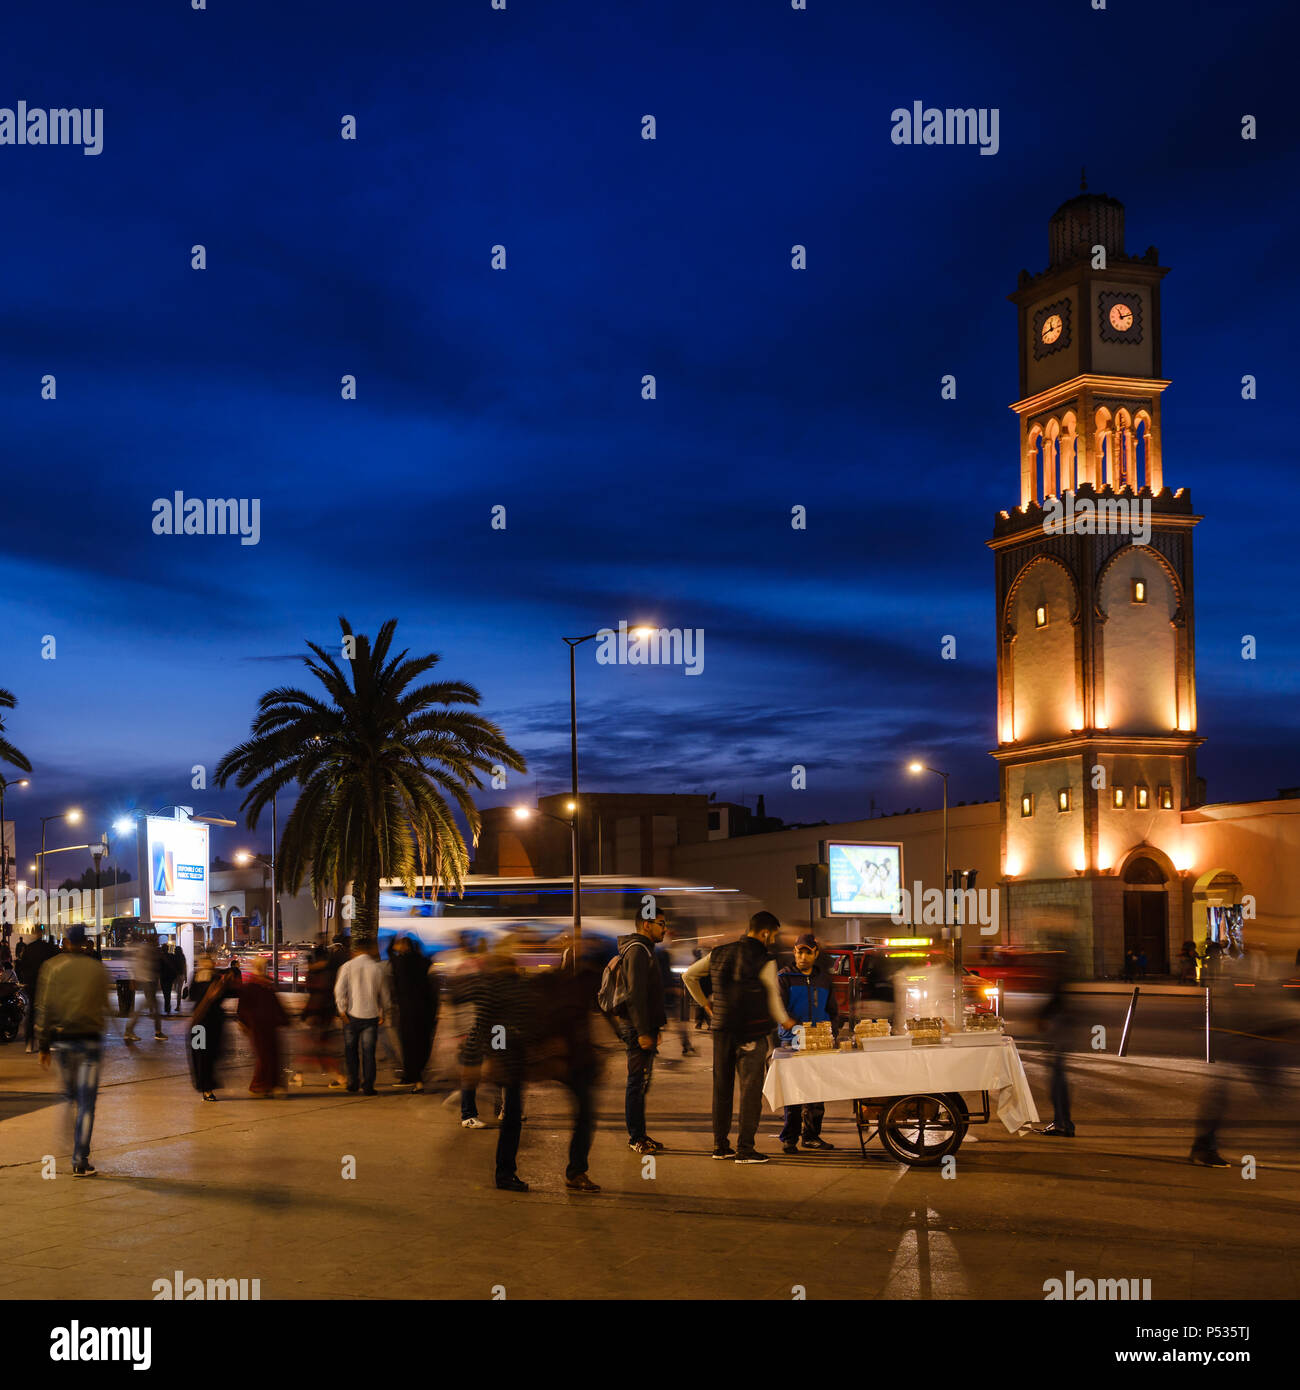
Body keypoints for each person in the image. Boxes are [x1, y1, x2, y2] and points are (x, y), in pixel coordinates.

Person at [684, 910, 794, 1163]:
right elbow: (773, 997)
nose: (773, 940)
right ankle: (745, 1149)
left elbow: (688, 976)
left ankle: (720, 1146)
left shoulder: (719, 952)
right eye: (773, 935)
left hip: (722, 1030)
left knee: (722, 1089)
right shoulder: (765, 958)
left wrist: (705, 1005)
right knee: (750, 1091)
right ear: (765, 932)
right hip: (751, 1032)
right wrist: (785, 1020)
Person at [35, 925, 112, 1175]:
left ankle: (67, 1136)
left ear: (66, 942)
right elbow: (104, 1003)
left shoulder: (52, 967)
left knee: (70, 1097)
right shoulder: (96, 969)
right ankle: (80, 1159)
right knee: (87, 1104)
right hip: (90, 1041)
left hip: (63, 1041)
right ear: (84, 943)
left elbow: (44, 1008)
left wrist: (44, 1045)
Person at [609, 908, 669, 1155]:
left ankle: (640, 1133)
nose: (664, 929)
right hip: (636, 1028)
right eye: (661, 924)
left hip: (643, 1027)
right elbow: (635, 995)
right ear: (646, 924)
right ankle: (636, 1137)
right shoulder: (637, 951)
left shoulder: (643, 950)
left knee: (642, 1082)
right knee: (636, 1082)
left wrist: (655, 1027)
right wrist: (644, 1030)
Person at [776, 934, 839, 1153]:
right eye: (799, 951)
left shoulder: (824, 979)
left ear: (815, 954)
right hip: (791, 1042)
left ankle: (811, 1136)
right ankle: (790, 1138)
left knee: (816, 1091)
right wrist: (794, 1027)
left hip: (818, 1043)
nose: (803, 956)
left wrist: (831, 1032)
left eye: (807, 952)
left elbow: (833, 1011)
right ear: (794, 952)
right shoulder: (784, 977)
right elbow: (779, 1009)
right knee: (793, 1092)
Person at [333, 941, 389, 1095]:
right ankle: (368, 1085)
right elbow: (384, 993)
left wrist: (342, 1010)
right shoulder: (377, 968)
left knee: (351, 1051)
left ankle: (353, 1082)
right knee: (368, 1052)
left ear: (355, 951)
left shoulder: (347, 967)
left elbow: (339, 990)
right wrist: (383, 1012)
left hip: (351, 1015)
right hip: (371, 1015)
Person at [388, 934, 438, 1091]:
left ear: (403, 947)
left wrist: (393, 941)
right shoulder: (425, 962)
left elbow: (390, 953)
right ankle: (417, 1074)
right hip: (426, 1009)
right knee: (423, 1042)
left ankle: (415, 1078)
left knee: (409, 1044)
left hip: (408, 1009)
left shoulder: (400, 962)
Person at [235, 956, 288, 1095]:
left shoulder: (260, 984)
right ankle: (262, 1084)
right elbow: (244, 1007)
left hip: (265, 1025)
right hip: (259, 1025)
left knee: (270, 1054)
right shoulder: (257, 985)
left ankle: (268, 1084)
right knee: (265, 1056)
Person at [1037, 951, 1075, 1137]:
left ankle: (1063, 1124)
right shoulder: (1063, 978)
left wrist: (1042, 1017)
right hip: (1062, 1031)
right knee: (1057, 1080)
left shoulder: (1058, 980)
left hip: (1060, 1031)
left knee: (1057, 1082)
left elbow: (1055, 1002)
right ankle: (1062, 1121)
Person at [187, 953, 231, 1101]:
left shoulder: (195, 977)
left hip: (197, 1023)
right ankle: (207, 1087)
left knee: (199, 1055)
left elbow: (191, 996)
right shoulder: (217, 979)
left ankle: (204, 1087)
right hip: (213, 1022)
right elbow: (223, 997)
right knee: (210, 1055)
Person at [18, 927, 60, 1053]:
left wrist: (26, 980)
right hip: (46, 984)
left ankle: (29, 1043)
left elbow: (22, 965)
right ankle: (49, 1042)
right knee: (48, 1012)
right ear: (42, 933)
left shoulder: (29, 948)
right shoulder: (48, 948)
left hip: (32, 984)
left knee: (31, 1014)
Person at [658, 928, 695, 1057]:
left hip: (666, 994)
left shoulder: (664, 953)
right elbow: (663, 976)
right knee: (669, 1022)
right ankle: (686, 1045)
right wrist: (673, 989)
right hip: (664, 994)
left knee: (676, 1023)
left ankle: (686, 1045)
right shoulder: (663, 954)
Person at [125, 933, 166, 1042]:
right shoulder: (145, 949)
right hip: (148, 981)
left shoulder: (148, 949)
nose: (158, 942)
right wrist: (134, 978)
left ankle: (158, 1032)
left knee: (155, 1008)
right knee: (143, 1007)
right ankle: (129, 1030)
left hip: (149, 981)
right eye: (156, 939)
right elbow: (138, 964)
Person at [157, 943, 178, 1017]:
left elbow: (158, 968)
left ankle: (167, 1006)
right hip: (170, 977)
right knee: (168, 992)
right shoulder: (171, 956)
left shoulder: (160, 957)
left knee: (165, 992)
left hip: (163, 977)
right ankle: (167, 1006)